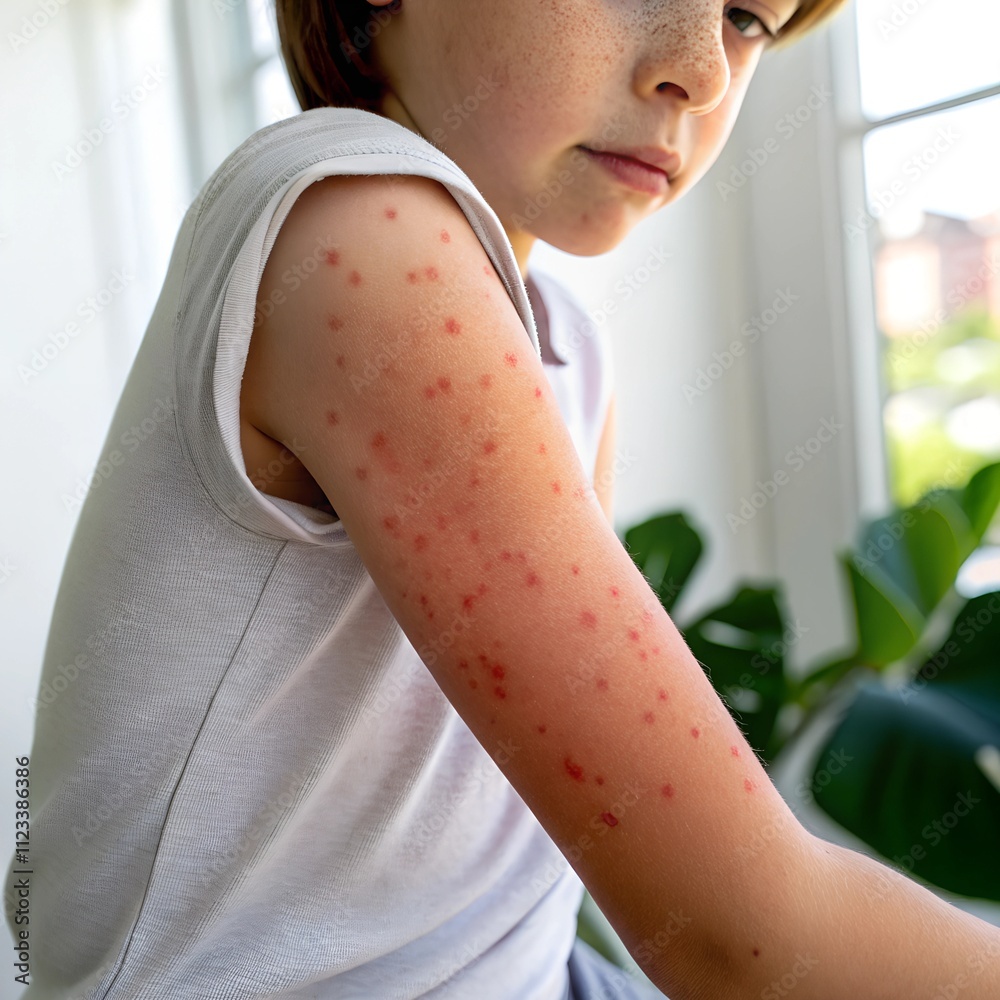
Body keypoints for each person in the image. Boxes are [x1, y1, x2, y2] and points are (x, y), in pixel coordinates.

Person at [7, 0, 1000, 997]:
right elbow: (739, 936)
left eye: (747, 18)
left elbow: (530, 893)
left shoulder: (564, 345)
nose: (701, 73)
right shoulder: (357, 228)